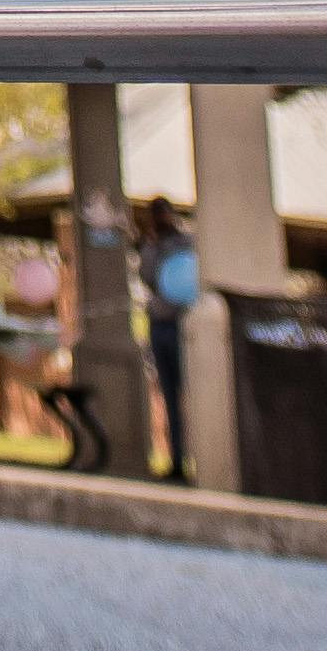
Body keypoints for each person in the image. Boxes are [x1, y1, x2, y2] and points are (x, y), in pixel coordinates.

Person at [139, 198, 198, 483]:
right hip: (159, 324)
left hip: (183, 326)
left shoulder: (188, 242)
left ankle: (199, 458)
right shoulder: (151, 246)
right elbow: (148, 277)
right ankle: (177, 461)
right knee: (170, 397)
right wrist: (150, 246)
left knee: (192, 395)